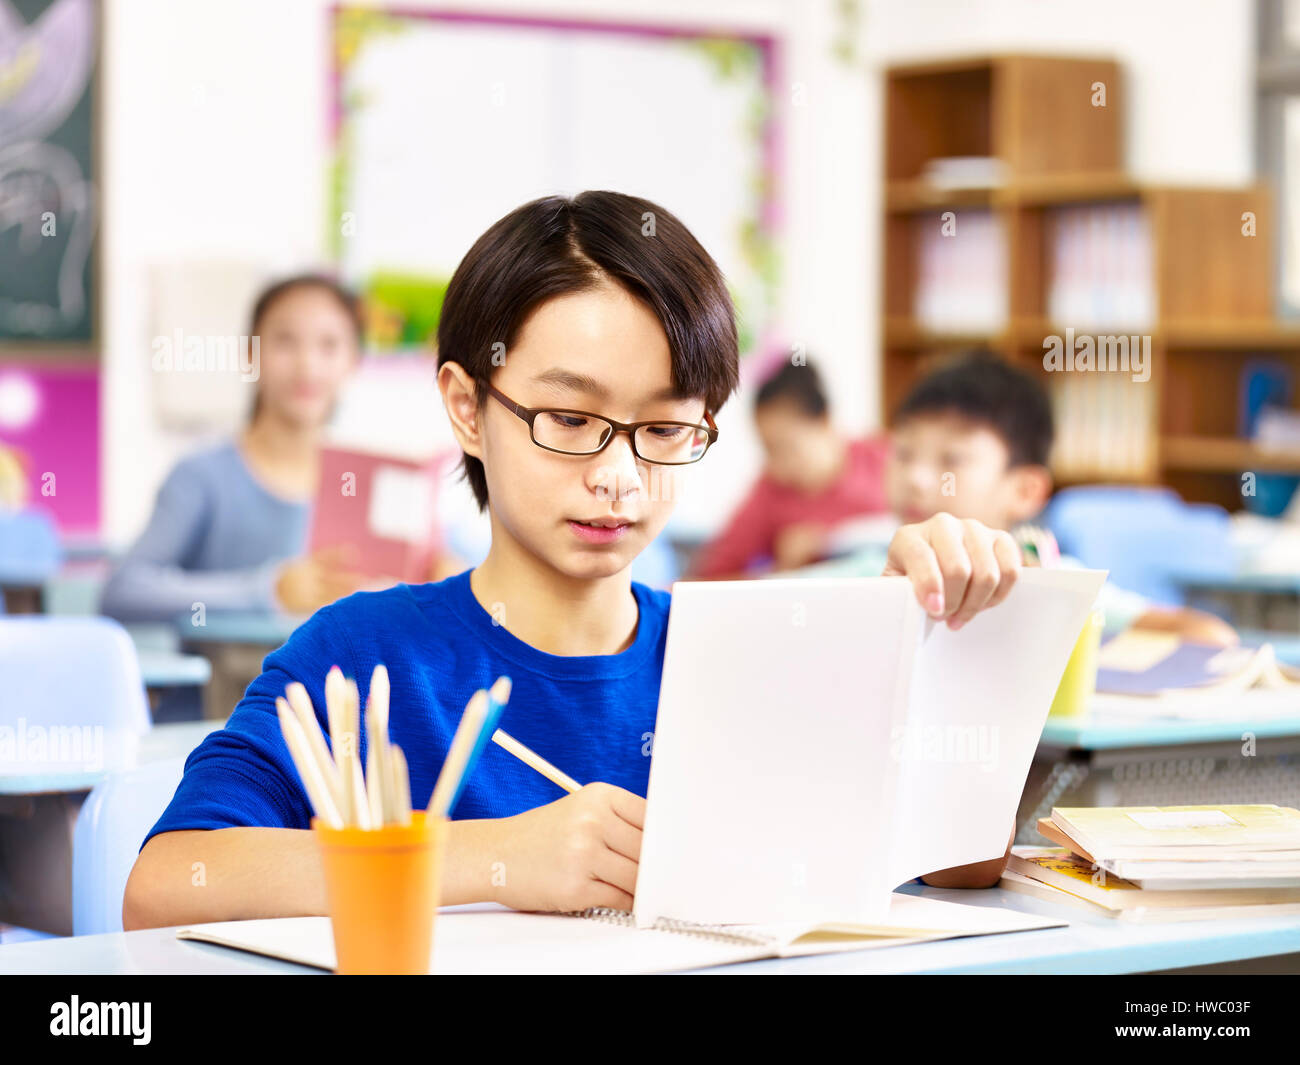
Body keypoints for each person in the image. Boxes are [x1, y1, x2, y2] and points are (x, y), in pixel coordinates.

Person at [124, 192, 1022, 930]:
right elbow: (166, 883)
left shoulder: (742, 655)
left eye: (666, 428)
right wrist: (497, 856)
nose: (620, 477)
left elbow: (961, 868)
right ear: (468, 408)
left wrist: (943, 637)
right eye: (570, 420)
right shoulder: (367, 657)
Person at [801, 352, 1237, 646]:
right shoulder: (872, 569)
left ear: (1025, 490)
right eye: (905, 453)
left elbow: (1205, 634)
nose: (915, 478)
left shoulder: (1052, 580)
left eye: (951, 458)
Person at [100, 275, 459, 624]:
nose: (307, 365)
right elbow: (123, 591)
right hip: (233, 682)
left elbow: (465, 569)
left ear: (353, 362)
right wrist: (266, 591)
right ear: (250, 355)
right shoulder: (201, 477)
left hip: (344, 683)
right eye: (285, 342)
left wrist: (453, 580)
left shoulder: (378, 480)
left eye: (329, 345)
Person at [690, 358, 891, 577]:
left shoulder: (885, 459)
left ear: (824, 421)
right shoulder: (769, 490)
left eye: (785, 447)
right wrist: (781, 568)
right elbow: (711, 575)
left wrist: (827, 541)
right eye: (768, 450)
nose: (777, 465)